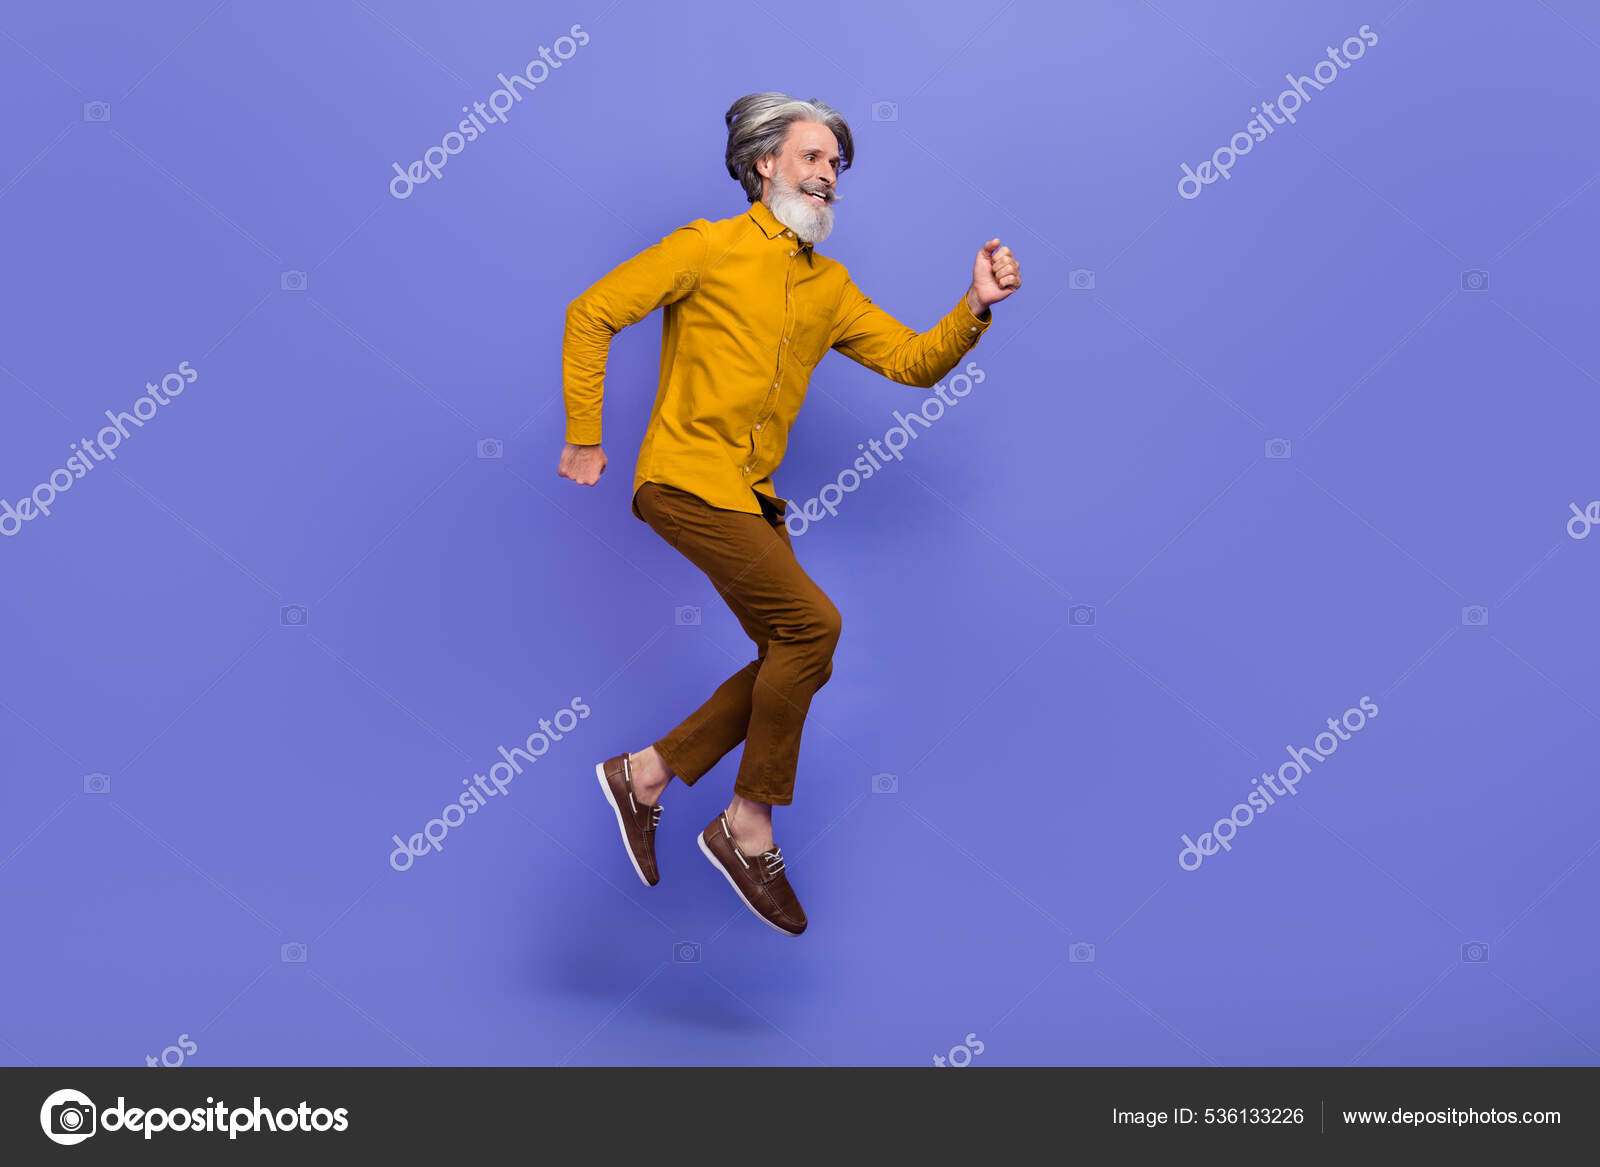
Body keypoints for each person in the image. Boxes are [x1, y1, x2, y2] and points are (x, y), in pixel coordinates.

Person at [559, 91, 1022, 936]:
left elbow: (913, 362)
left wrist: (974, 306)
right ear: (764, 164)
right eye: (812, 158)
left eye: (836, 165)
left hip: (751, 500)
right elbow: (591, 313)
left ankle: (649, 773)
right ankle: (748, 823)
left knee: (798, 649)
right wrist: (585, 436)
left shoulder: (829, 286)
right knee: (813, 626)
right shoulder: (707, 246)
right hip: (685, 477)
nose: (827, 175)